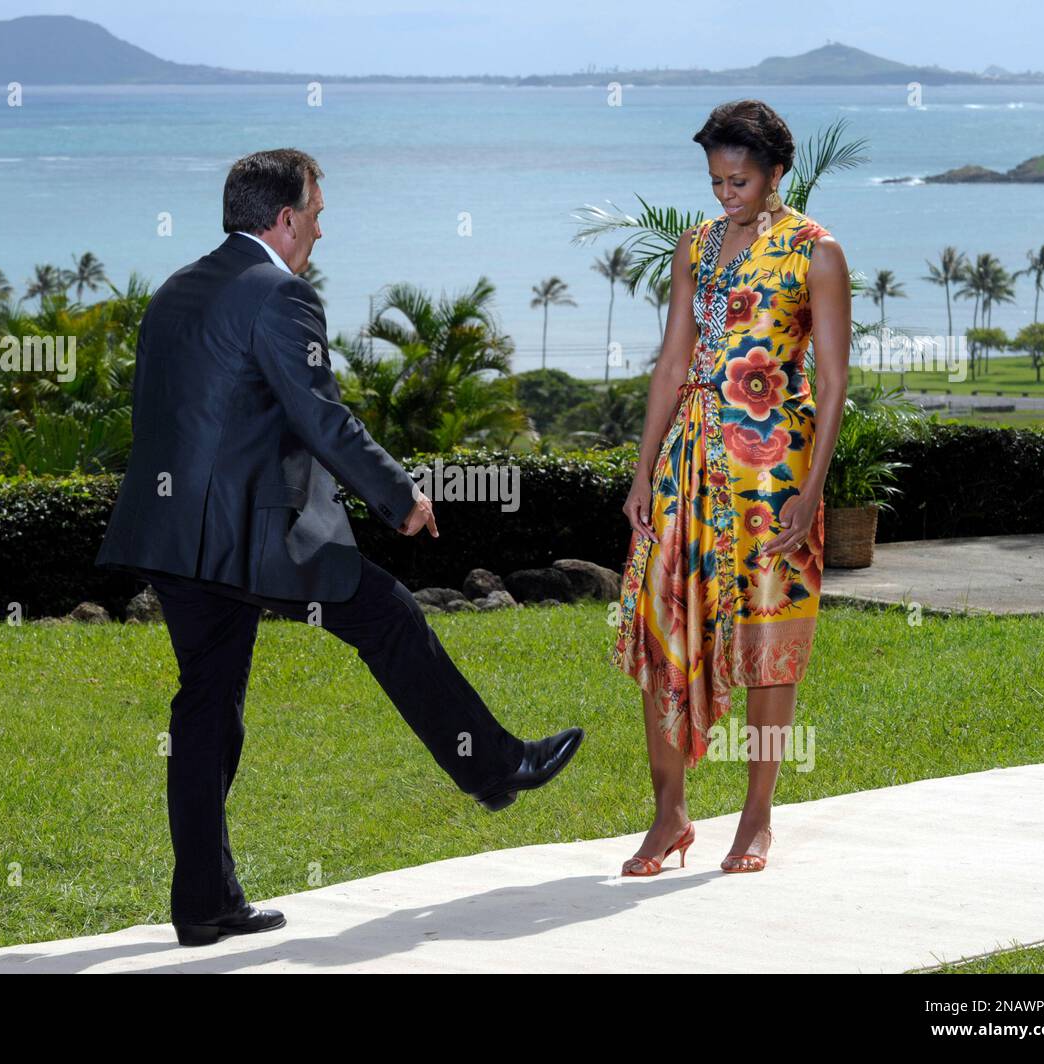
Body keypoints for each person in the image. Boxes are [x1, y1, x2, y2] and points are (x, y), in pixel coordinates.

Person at [96, 148, 583, 947]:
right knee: (389, 618)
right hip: (248, 538)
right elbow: (322, 417)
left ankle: (206, 902)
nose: (321, 229)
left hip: (171, 537)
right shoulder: (281, 296)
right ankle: (498, 768)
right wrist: (401, 494)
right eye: (316, 214)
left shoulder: (175, 289)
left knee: (207, 706)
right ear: (283, 219)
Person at [609, 100, 850, 876]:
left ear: (776, 171)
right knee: (661, 630)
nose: (725, 194)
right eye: (716, 180)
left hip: (774, 476)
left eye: (739, 180)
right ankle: (669, 814)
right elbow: (673, 363)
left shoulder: (816, 251)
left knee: (769, 644)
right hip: (687, 468)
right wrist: (643, 470)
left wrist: (812, 491)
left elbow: (835, 381)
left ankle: (756, 816)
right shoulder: (696, 247)